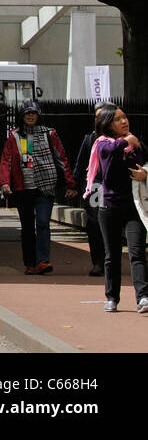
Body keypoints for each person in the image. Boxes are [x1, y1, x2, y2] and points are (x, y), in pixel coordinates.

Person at [0, 101, 77, 276]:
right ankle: (30, 263)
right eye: (27, 113)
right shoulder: (15, 136)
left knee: (42, 223)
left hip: (45, 186)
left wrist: (70, 183)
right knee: (27, 227)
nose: (31, 116)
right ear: (22, 116)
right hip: (22, 188)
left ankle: (43, 260)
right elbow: (6, 160)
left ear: (39, 115)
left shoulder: (50, 134)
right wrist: (5, 182)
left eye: (33, 113)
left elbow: (61, 158)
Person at [88, 105, 148, 312]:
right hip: (109, 206)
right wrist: (126, 141)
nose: (124, 121)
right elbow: (109, 157)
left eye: (125, 117)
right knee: (111, 254)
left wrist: (145, 174)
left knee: (137, 251)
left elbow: (146, 162)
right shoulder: (102, 144)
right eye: (118, 119)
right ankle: (112, 297)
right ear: (107, 124)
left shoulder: (136, 143)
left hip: (134, 205)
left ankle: (143, 297)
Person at [75, 101, 116, 277]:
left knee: (113, 224)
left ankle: (111, 259)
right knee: (94, 223)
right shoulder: (90, 138)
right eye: (97, 116)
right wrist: (73, 185)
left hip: (114, 187)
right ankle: (98, 262)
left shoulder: (121, 139)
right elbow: (81, 163)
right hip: (96, 186)